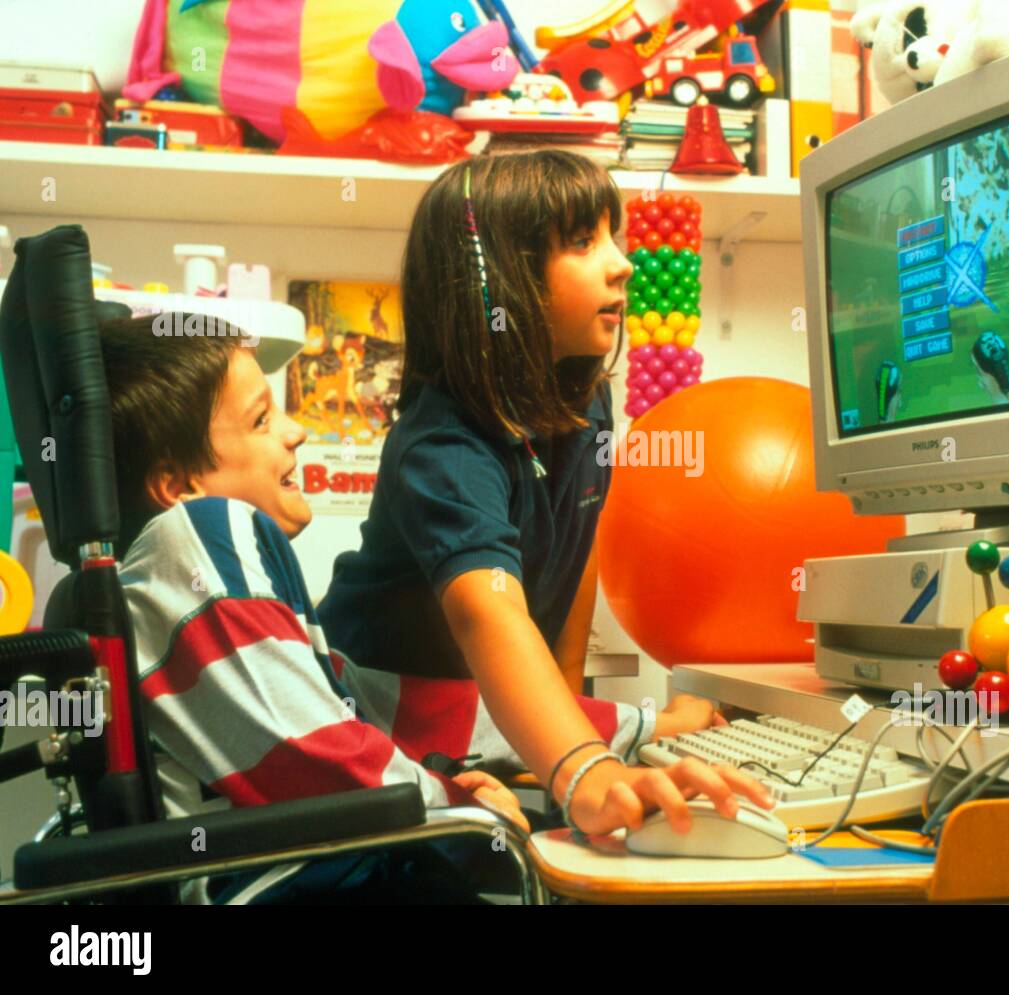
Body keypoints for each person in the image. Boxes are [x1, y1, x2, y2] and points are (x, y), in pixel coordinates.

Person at [318, 150, 772, 838]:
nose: (622, 263)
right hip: (387, 702)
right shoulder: (442, 443)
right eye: (585, 243)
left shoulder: (586, 395)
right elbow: (484, 612)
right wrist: (584, 769)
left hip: (484, 699)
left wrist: (569, 712)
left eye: (613, 237)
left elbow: (579, 537)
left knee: (692, 725)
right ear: (500, 286)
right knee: (654, 735)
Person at [102, 316, 531, 902]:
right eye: (261, 420)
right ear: (179, 487)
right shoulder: (194, 532)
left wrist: (625, 731)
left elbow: (398, 708)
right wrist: (473, 819)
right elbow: (317, 758)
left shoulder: (196, 572)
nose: (295, 431)